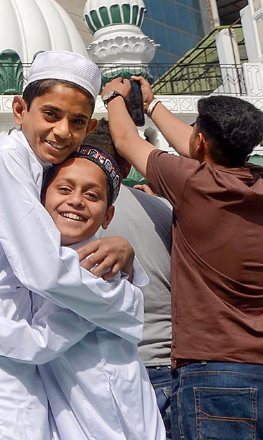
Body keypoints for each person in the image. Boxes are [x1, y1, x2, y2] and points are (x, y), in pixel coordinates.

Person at [0, 51, 143, 440]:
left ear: (90, 126)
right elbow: (45, 271)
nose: (62, 131)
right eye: (51, 114)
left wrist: (125, 255)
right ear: (19, 109)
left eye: (77, 122)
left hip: (5, 361)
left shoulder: (34, 171)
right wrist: (125, 302)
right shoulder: (6, 160)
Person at [103, 76, 263, 440]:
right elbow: (198, 151)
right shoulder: (253, 185)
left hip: (214, 374)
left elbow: (127, 142)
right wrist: (152, 104)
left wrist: (114, 96)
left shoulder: (194, 185)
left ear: (201, 140)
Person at [84, 120, 175, 435]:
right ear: (126, 164)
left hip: (120, 369)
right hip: (171, 364)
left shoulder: (72, 211)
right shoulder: (163, 207)